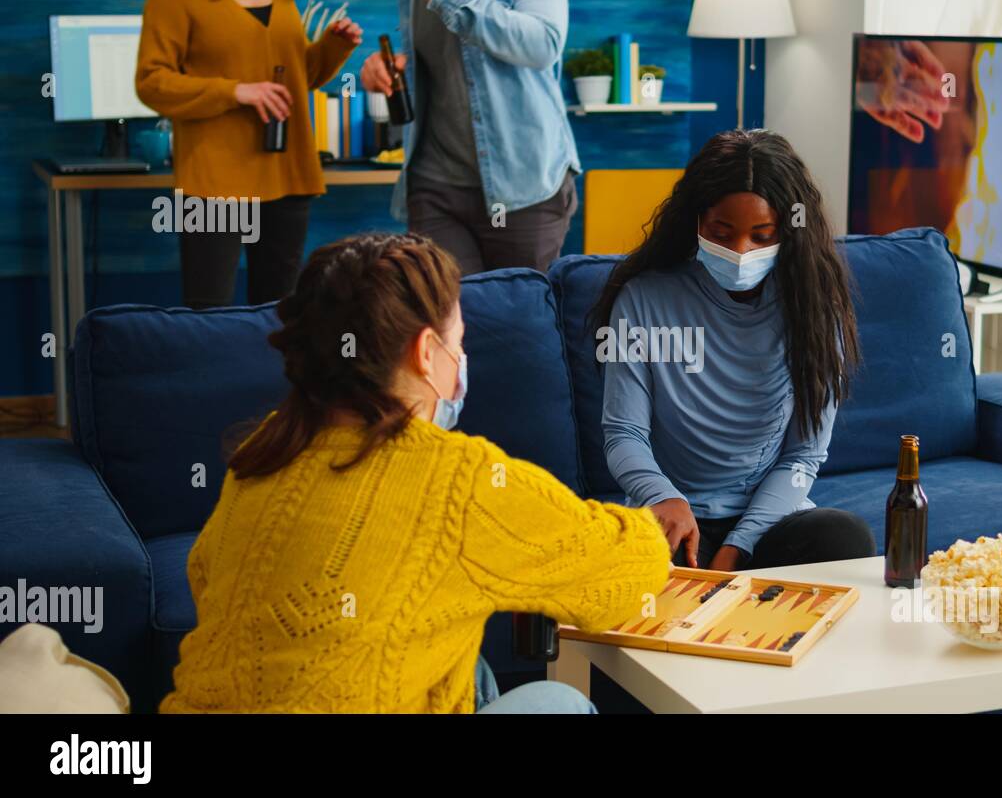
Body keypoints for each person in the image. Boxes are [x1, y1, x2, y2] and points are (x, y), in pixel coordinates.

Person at [160, 233, 669, 713]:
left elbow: (204, 575)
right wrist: (635, 519)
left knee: (467, 663)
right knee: (562, 703)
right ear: (427, 352)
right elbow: (629, 575)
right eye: (459, 342)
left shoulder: (267, 446)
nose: (461, 360)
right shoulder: (456, 479)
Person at [591, 129, 876, 573]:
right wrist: (664, 497)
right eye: (722, 233)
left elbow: (803, 456)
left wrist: (738, 548)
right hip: (672, 522)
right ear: (697, 221)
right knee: (609, 562)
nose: (740, 252)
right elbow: (623, 433)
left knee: (844, 537)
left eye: (761, 236)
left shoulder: (815, 310)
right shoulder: (643, 299)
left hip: (765, 525)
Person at [136, 0, 362, 308]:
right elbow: (151, 82)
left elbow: (295, 77)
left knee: (280, 315)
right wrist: (235, 92)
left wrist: (333, 48)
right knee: (209, 314)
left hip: (286, 175)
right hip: (213, 182)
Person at [359, 0, 579, 275]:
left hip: (521, 185)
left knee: (517, 313)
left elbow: (544, 43)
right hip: (435, 186)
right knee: (445, 309)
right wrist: (386, 71)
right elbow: (447, 65)